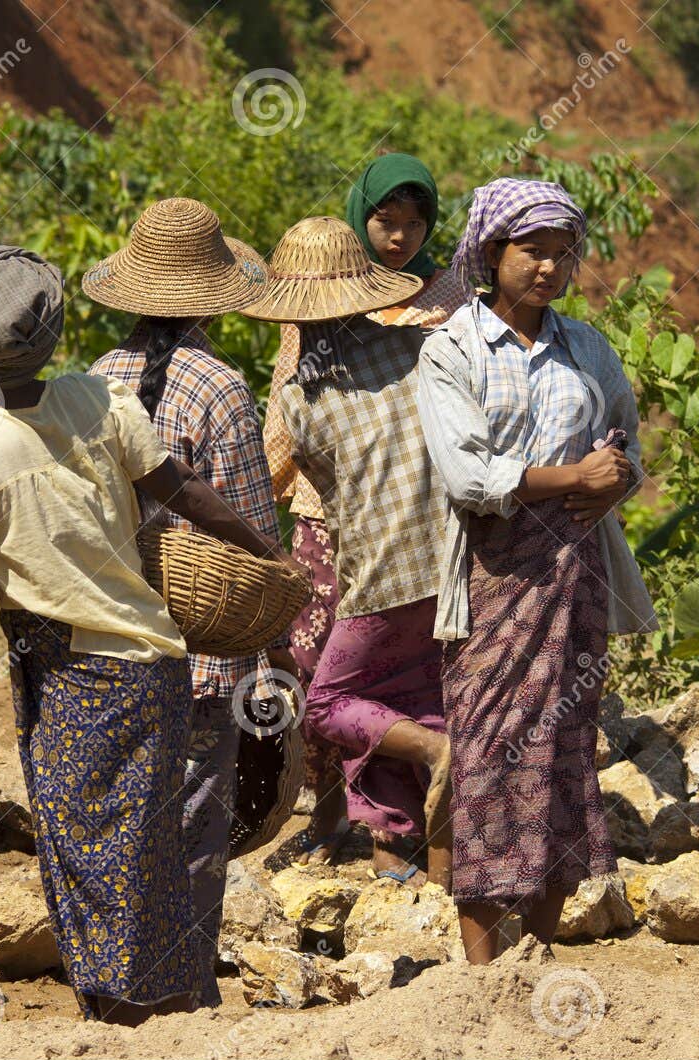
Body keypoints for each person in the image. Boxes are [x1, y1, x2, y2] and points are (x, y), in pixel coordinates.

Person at [0, 246, 286, 1023]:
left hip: (69, 671)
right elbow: (184, 491)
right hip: (152, 661)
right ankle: (177, 1006)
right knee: (150, 853)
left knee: (88, 853)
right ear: (53, 337)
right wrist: (266, 548)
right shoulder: (102, 400)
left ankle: (118, 1020)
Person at [416, 177, 657, 964]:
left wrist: (615, 475)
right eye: (532, 252)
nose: (549, 268)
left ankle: (538, 951)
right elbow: (468, 474)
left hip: (575, 575)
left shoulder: (586, 347)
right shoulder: (451, 348)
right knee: (487, 752)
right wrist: (570, 479)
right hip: (493, 575)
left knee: (562, 752)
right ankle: (482, 965)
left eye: (563, 254)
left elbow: (625, 438)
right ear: (492, 253)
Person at [84, 197, 287, 1008]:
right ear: (209, 296)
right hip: (202, 652)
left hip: (109, 641)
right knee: (195, 827)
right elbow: (250, 535)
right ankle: (185, 988)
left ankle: (114, 981)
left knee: (123, 821)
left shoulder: (93, 378)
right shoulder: (222, 388)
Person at [263, 153, 471, 866]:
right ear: (363, 221)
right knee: (357, 673)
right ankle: (347, 822)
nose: (401, 236)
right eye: (386, 221)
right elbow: (285, 432)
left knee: (348, 686)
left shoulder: (443, 297)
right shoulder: (315, 324)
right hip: (343, 523)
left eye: (415, 223)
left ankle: (395, 836)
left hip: (391, 537)